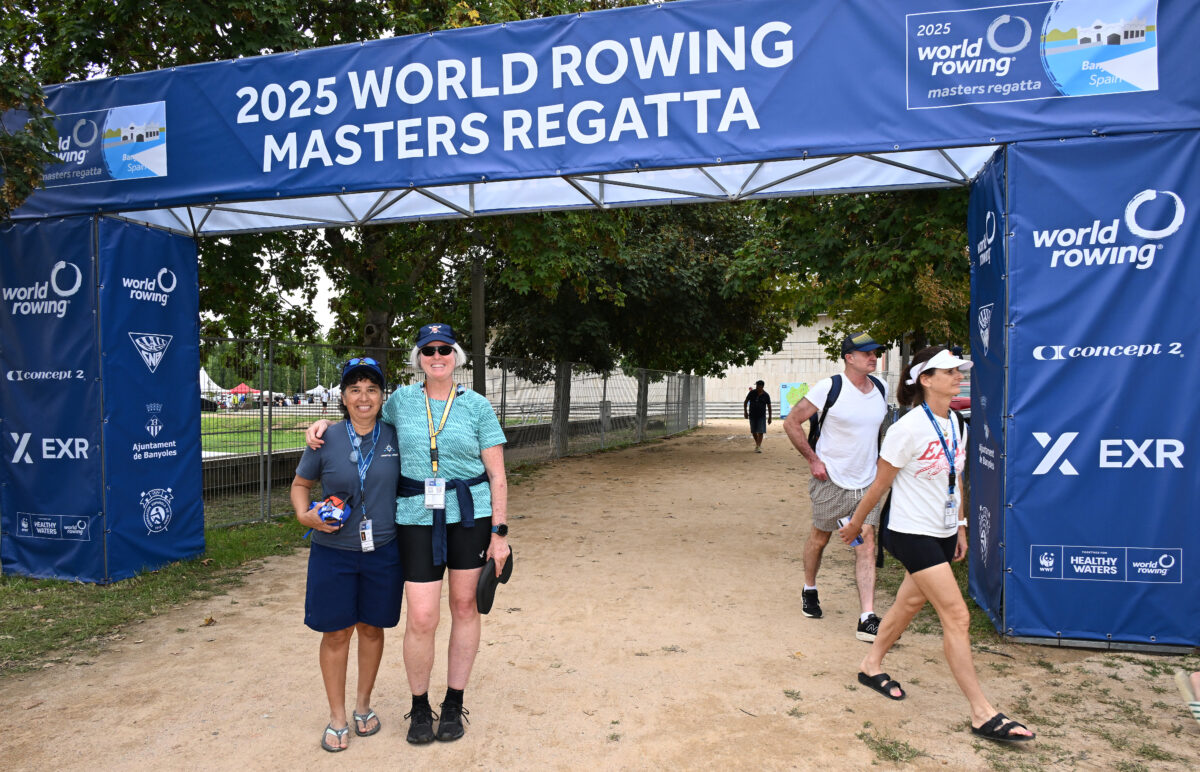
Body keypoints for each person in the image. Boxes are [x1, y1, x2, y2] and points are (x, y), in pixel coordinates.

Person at [307, 323, 509, 745]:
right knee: (421, 617)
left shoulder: (477, 406)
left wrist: (499, 533)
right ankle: (419, 707)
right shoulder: (400, 401)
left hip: (470, 516)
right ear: (419, 358)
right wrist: (324, 423)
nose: (437, 356)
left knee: (465, 606)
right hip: (416, 516)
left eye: (444, 349)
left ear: (456, 356)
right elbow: (361, 418)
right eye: (428, 350)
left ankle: (453, 703)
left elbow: (497, 475)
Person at [839, 346, 1034, 743]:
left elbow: (955, 477)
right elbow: (880, 483)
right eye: (949, 371)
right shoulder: (907, 428)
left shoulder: (957, 422)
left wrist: (960, 526)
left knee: (909, 603)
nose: (958, 376)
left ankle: (871, 664)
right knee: (957, 616)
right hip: (911, 533)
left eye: (959, 371)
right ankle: (982, 713)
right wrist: (857, 523)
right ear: (925, 380)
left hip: (942, 531)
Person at [290, 356, 403, 752]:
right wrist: (304, 516)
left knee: (372, 628)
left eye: (371, 388)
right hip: (332, 552)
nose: (363, 397)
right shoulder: (326, 438)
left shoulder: (396, 436)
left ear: (382, 396)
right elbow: (300, 485)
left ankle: (362, 705)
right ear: (342, 396)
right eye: (354, 389)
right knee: (336, 632)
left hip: (383, 550)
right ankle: (337, 716)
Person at [782, 332, 888, 641]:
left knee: (866, 542)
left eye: (876, 352)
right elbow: (792, 422)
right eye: (866, 353)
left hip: (867, 482)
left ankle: (867, 618)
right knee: (820, 538)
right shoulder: (830, 387)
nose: (873, 357)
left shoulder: (880, 389)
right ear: (849, 358)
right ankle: (809, 587)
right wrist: (813, 460)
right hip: (831, 481)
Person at [743, 380, 773, 453]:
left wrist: (770, 417)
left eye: (758, 386)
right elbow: (746, 402)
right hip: (752, 415)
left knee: (761, 431)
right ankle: (758, 444)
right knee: (753, 431)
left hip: (761, 416)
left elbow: (769, 406)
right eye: (756, 386)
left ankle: (758, 446)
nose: (756, 387)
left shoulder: (766, 395)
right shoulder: (752, 393)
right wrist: (745, 412)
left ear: (762, 386)